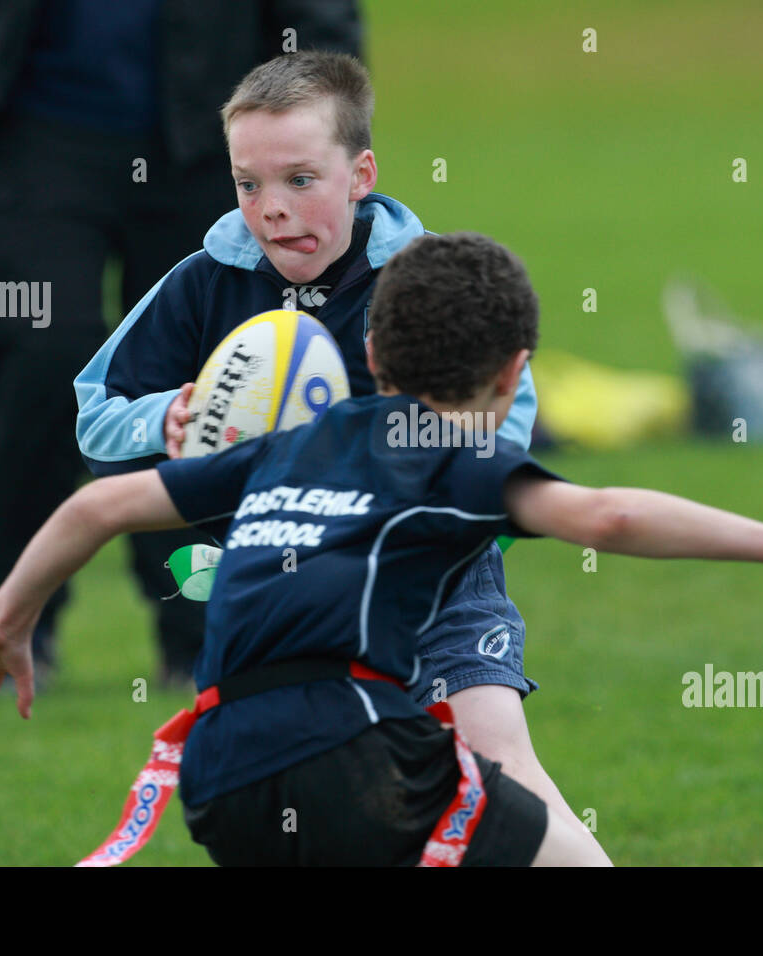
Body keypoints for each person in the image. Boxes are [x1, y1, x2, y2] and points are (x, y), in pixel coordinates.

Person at [0, 231, 763, 866]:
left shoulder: (294, 440)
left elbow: (95, 509)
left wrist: (9, 616)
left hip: (216, 776)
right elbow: (611, 518)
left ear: (367, 352)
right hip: (351, 751)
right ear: (513, 376)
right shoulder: (453, 457)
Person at [69, 50, 605, 855]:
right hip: (288, 596)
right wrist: (171, 417)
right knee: (348, 815)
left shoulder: (423, 281)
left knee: (502, 766)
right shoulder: (203, 283)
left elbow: (507, 427)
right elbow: (95, 412)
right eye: (248, 185)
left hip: (435, 578)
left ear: (360, 175)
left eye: (299, 180)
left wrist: (366, 454)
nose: (272, 209)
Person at [0, 0, 362, 685]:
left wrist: (324, 125)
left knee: (220, 383)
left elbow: (320, 12)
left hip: (214, 144)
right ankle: (22, 621)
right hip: (42, 131)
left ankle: (196, 633)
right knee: (40, 357)